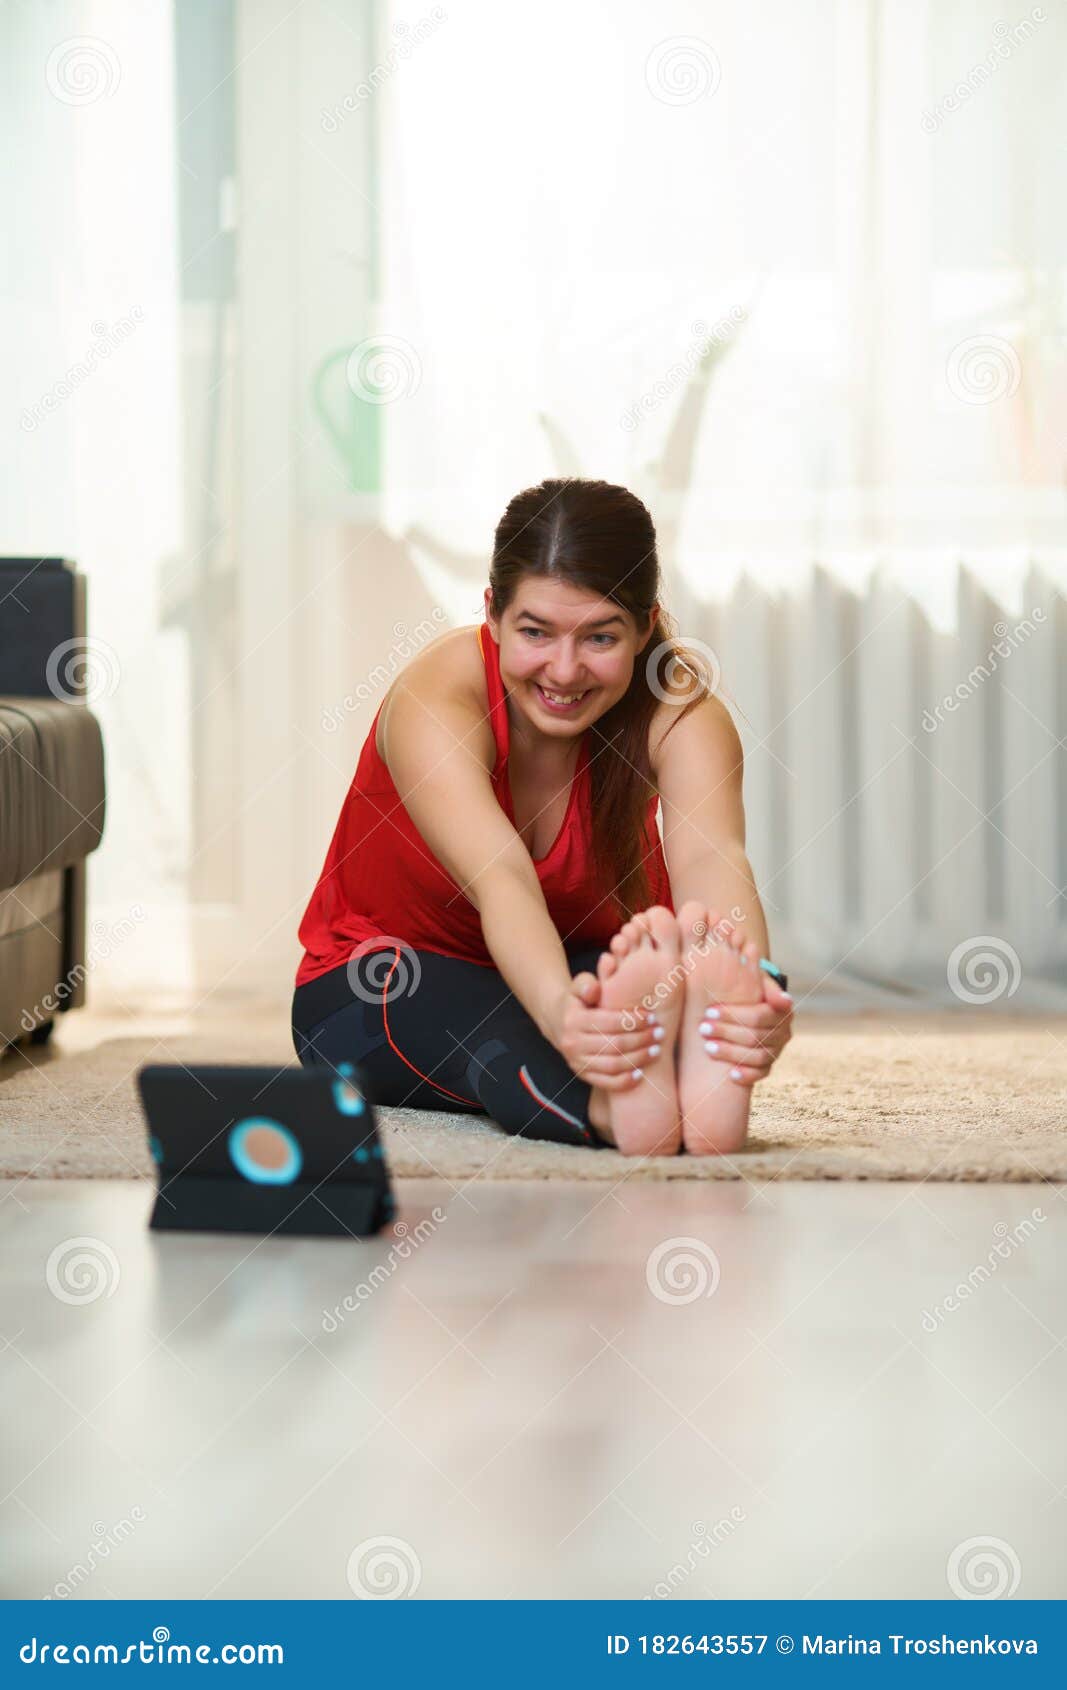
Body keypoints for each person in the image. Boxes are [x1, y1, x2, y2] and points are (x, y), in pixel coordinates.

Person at [291, 477, 793, 1157]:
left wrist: (750, 998)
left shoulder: (681, 712)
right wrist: (563, 1018)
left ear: (645, 626)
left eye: (599, 637)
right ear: (492, 613)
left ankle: (686, 1075)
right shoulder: (435, 697)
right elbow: (503, 881)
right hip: (383, 977)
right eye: (535, 632)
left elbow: (713, 860)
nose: (563, 671)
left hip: (580, 964)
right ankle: (619, 1110)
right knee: (494, 1026)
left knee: (631, 981)